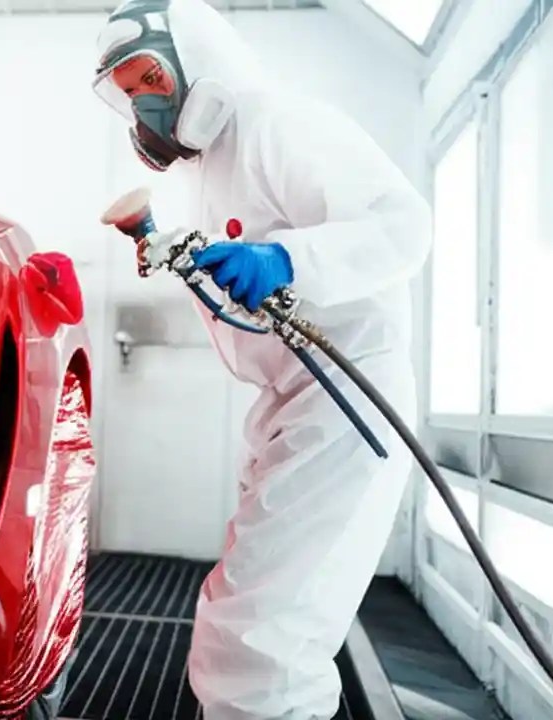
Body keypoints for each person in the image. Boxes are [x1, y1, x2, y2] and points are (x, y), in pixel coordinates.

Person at [91, 0, 432, 718]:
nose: (143, 106)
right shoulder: (215, 167)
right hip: (291, 401)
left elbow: (403, 226)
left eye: (149, 79)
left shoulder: (280, 123)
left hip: (347, 395)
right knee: (243, 617)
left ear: (201, 59)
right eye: (128, 94)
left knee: (260, 641)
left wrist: (285, 258)